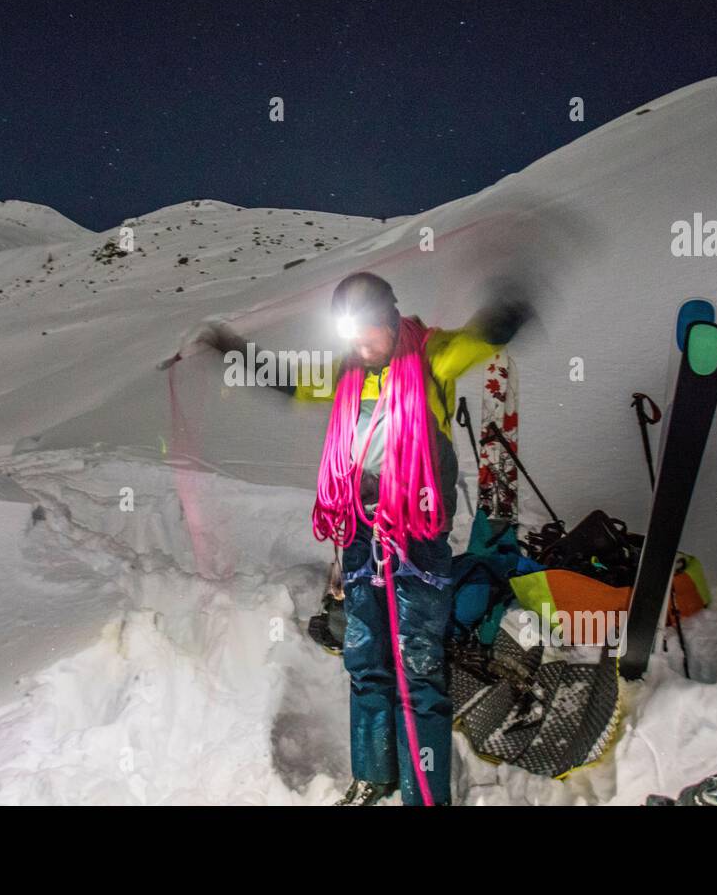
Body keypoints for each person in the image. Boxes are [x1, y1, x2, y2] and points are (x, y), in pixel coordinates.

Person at [184, 271, 529, 806]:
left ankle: (424, 793)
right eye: (355, 337)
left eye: (372, 334)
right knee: (366, 655)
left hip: (416, 532)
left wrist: (506, 313)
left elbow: (478, 341)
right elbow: (292, 380)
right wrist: (231, 349)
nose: (364, 346)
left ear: (392, 322)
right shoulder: (346, 372)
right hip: (362, 531)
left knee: (418, 662)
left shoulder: (432, 355)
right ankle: (374, 775)